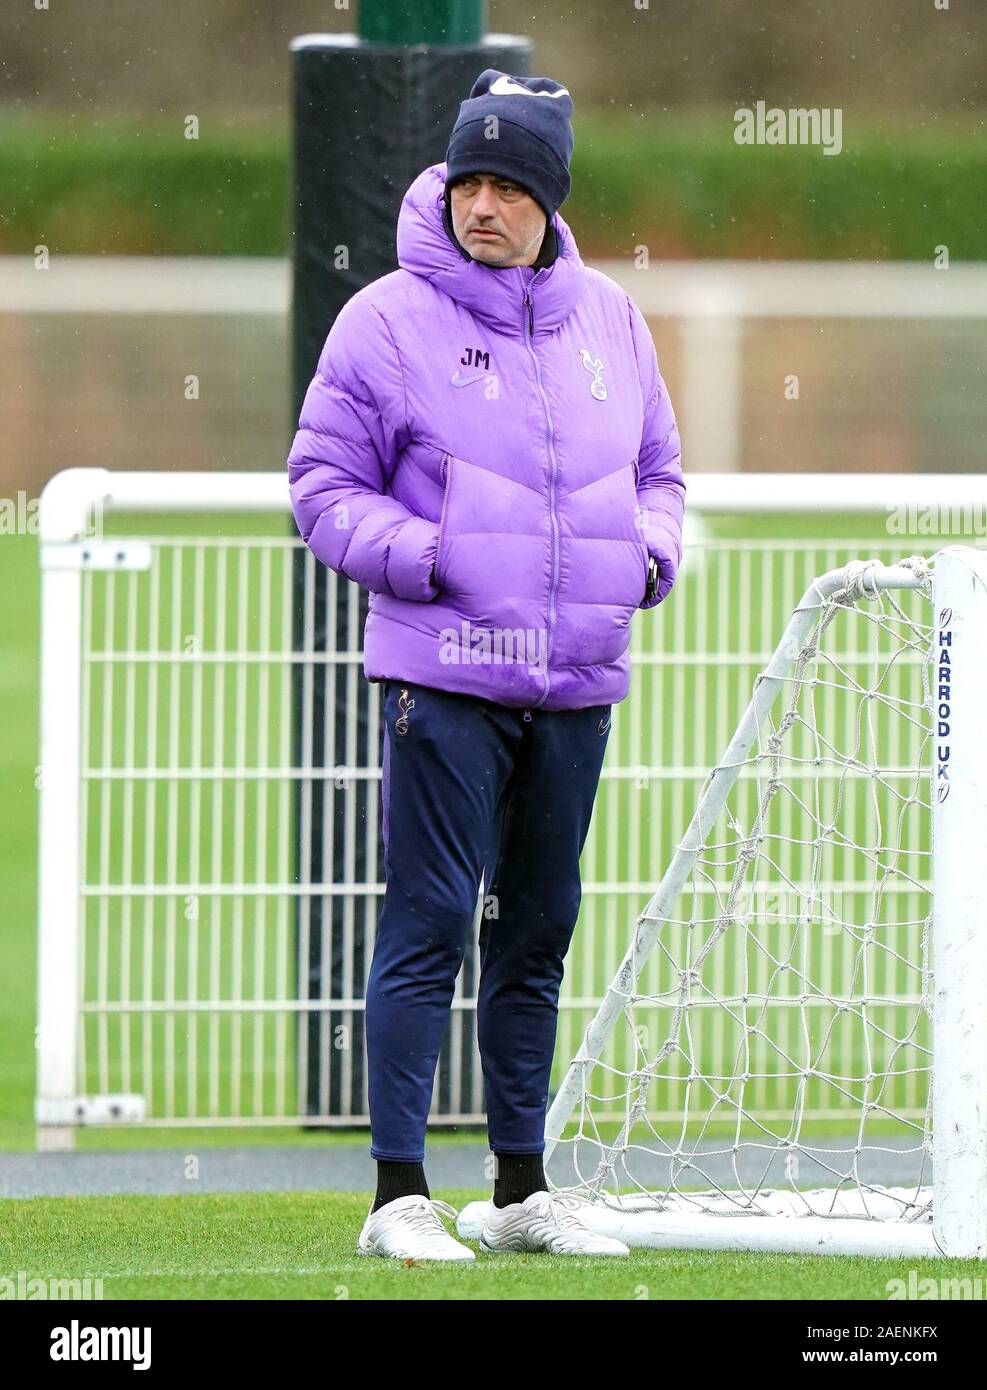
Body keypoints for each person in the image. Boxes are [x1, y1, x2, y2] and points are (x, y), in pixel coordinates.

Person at [288, 68, 685, 1260]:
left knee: (537, 933)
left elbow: (661, 473)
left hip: (576, 685)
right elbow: (321, 486)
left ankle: (520, 1191)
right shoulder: (384, 320)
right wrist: (427, 556)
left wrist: (647, 560)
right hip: (444, 674)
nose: (486, 205)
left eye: (512, 184)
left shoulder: (613, 319)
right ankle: (396, 1196)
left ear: (550, 199)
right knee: (429, 922)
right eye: (471, 180)